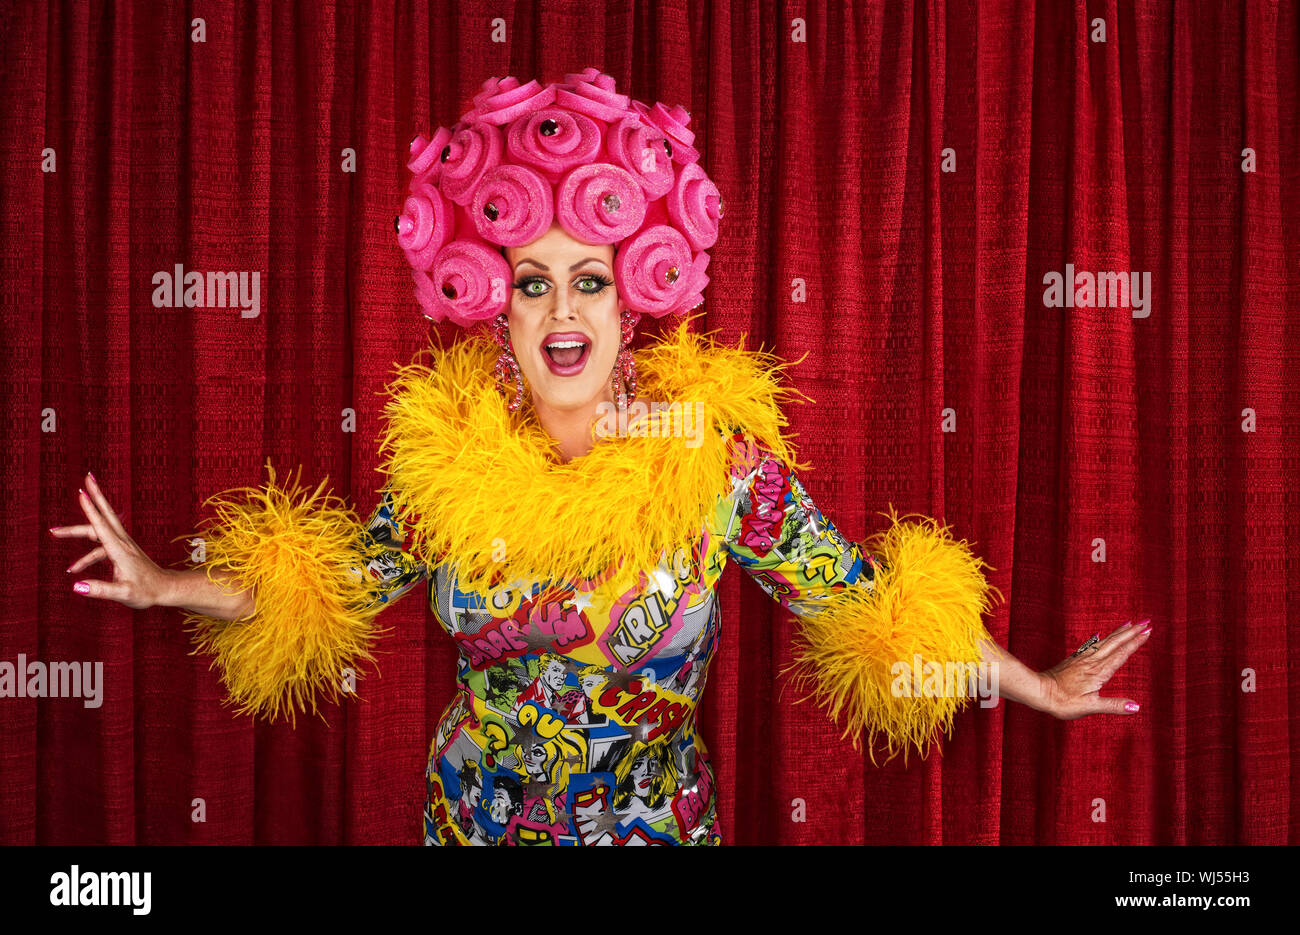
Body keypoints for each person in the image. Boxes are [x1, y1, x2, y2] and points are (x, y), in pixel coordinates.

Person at [50, 69, 1152, 846]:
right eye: (533, 280)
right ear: (495, 303)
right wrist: (163, 583)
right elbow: (319, 585)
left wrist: (1035, 687)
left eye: (591, 278)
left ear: (638, 297)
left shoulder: (714, 468)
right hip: (470, 824)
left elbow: (866, 604)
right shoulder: (446, 467)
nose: (562, 308)